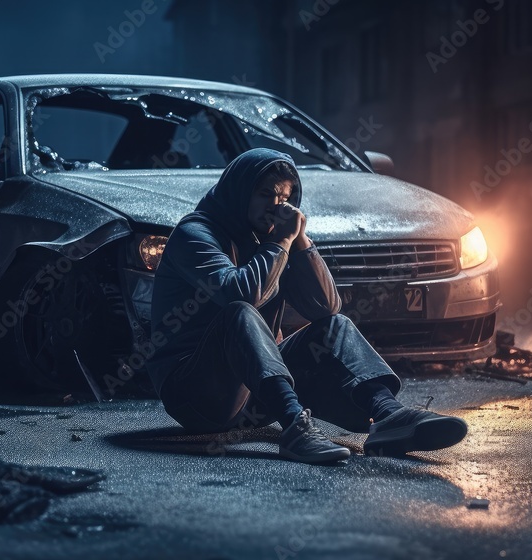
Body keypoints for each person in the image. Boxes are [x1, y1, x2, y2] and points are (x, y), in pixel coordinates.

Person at [146, 148, 468, 464]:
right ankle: (296, 428)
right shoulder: (195, 234)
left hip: (255, 397)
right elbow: (239, 292)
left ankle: (388, 415)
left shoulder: (268, 240)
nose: (276, 206)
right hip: (197, 395)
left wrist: (300, 242)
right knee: (239, 312)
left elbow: (325, 307)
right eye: (265, 194)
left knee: (336, 326)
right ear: (239, 191)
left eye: (284, 199)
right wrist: (280, 243)